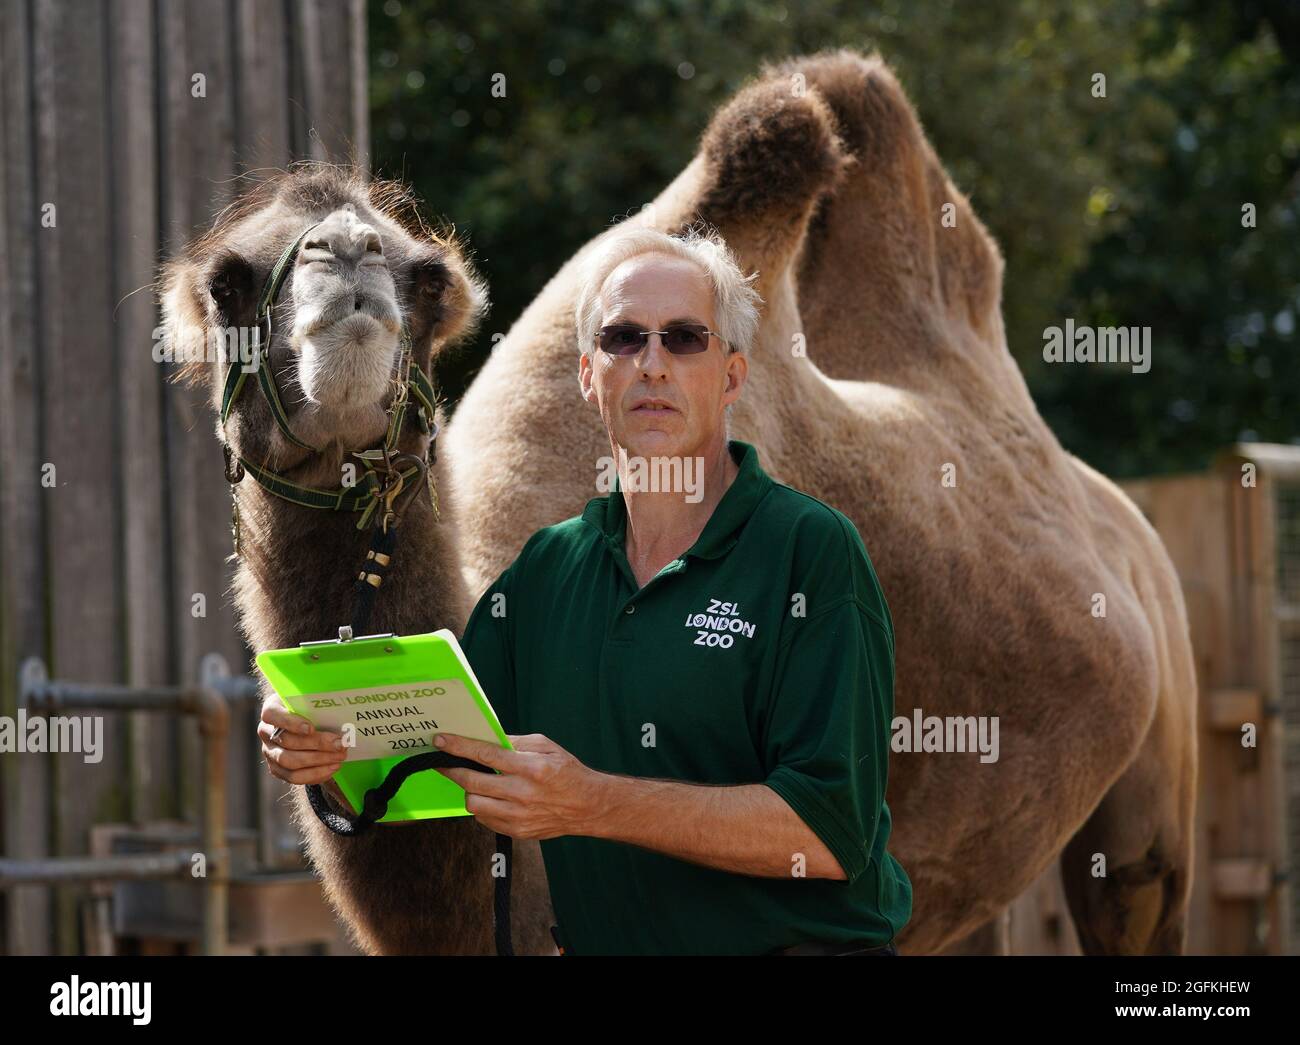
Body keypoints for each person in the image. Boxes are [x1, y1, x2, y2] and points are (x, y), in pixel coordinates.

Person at [260, 224, 912, 956]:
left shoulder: (809, 553)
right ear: (587, 376)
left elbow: (827, 832)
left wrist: (591, 801)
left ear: (732, 375)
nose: (653, 365)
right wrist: (329, 752)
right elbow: (443, 755)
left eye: (685, 338)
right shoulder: (549, 571)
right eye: (625, 338)